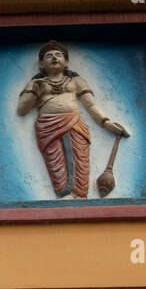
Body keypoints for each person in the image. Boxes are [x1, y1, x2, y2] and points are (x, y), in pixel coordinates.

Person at [17, 42, 129, 199]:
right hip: (47, 127)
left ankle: (79, 195)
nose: (54, 58)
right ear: (41, 63)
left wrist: (106, 123)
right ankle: (64, 194)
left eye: (58, 55)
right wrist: (33, 89)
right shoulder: (37, 83)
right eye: (49, 56)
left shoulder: (76, 81)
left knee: (79, 159)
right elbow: (21, 110)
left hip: (74, 124)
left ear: (67, 62)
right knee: (55, 163)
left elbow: (91, 106)